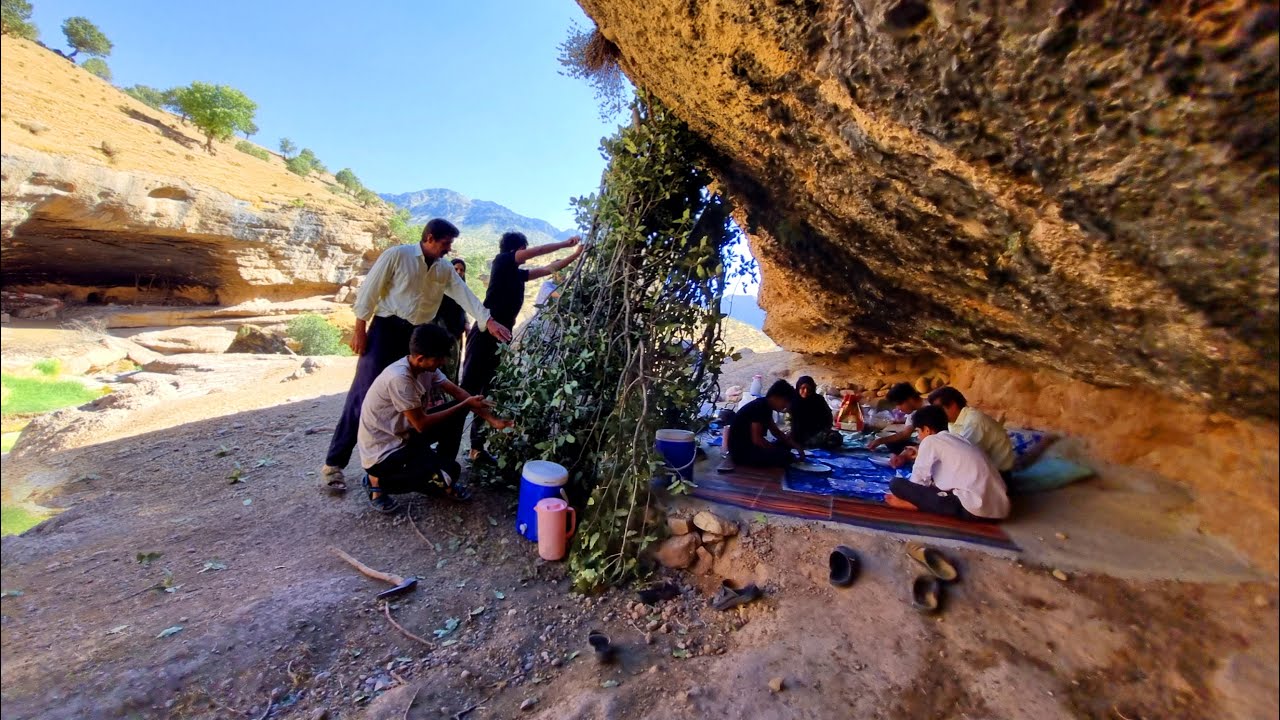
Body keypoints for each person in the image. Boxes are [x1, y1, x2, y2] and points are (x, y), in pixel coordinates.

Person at [320, 219, 512, 492]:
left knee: (416, 394)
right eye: (446, 243)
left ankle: (404, 456)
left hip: (417, 335)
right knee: (362, 394)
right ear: (430, 238)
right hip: (385, 330)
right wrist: (360, 329)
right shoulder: (397, 255)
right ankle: (334, 464)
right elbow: (369, 291)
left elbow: (464, 294)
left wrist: (488, 321)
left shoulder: (444, 270)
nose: (449, 249)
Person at [358, 324, 513, 514]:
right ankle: (377, 481)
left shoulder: (426, 369)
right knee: (450, 473)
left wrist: (492, 420)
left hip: (405, 436)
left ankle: (439, 470)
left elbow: (458, 393)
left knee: (449, 464)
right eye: (438, 359)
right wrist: (464, 405)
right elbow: (421, 424)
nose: (442, 363)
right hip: (385, 453)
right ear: (421, 358)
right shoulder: (399, 379)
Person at [459, 232, 583, 461]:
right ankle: (447, 445)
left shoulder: (516, 274)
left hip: (501, 338)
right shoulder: (502, 260)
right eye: (523, 249)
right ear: (518, 248)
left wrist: (575, 255)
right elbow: (538, 252)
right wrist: (565, 243)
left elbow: (549, 268)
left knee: (488, 390)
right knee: (467, 389)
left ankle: (476, 447)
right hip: (486, 332)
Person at [884, 405, 1010, 520]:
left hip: (976, 510)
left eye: (918, 431)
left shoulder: (930, 441)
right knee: (935, 486)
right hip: (1000, 508)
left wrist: (909, 496)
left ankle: (914, 506)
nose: (918, 437)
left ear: (927, 430)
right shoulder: (958, 438)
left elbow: (917, 482)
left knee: (896, 484)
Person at [927, 386, 1015, 477]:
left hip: (998, 473)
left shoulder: (974, 422)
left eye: (939, 410)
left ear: (953, 405)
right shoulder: (952, 421)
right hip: (984, 468)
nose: (936, 415)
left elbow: (964, 457)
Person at [728, 379, 805, 468]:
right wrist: (775, 451)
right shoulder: (760, 407)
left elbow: (776, 432)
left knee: (785, 445)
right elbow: (757, 440)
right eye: (785, 401)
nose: (786, 406)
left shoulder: (766, 406)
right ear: (776, 397)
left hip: (750, 448)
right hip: (741, 452)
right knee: (787, 457)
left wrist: (798, 447)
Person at [432, 258, 471, 381]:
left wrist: (466, 322)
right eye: (456, 269)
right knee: (441, 364)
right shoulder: (441, 287)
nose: (459, 272)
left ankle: (453, 395)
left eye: (462, 270)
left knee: (454, 364)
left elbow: (463, 308)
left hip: (457, 333)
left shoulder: (462, 289)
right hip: (442, 333)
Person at [866, 382, 925, 455]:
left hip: (934, 446)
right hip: (924, 445)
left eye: (899, 404)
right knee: (892, 444)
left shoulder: (932, 409)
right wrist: (879, 441)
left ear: (910, 399)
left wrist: (915, 449)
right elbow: (904, 434)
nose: (898, 408)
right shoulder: (912, 413)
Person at [790, 376, 841, 449]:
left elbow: (828, 417)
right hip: (798, 436)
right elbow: (789, 420)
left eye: (808, 388)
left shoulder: (818, 400)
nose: (806, 391)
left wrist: (825, 430)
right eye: (803, 388)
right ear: (798, 388)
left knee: (835, 438)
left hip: (817, 433)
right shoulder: (793, 401)